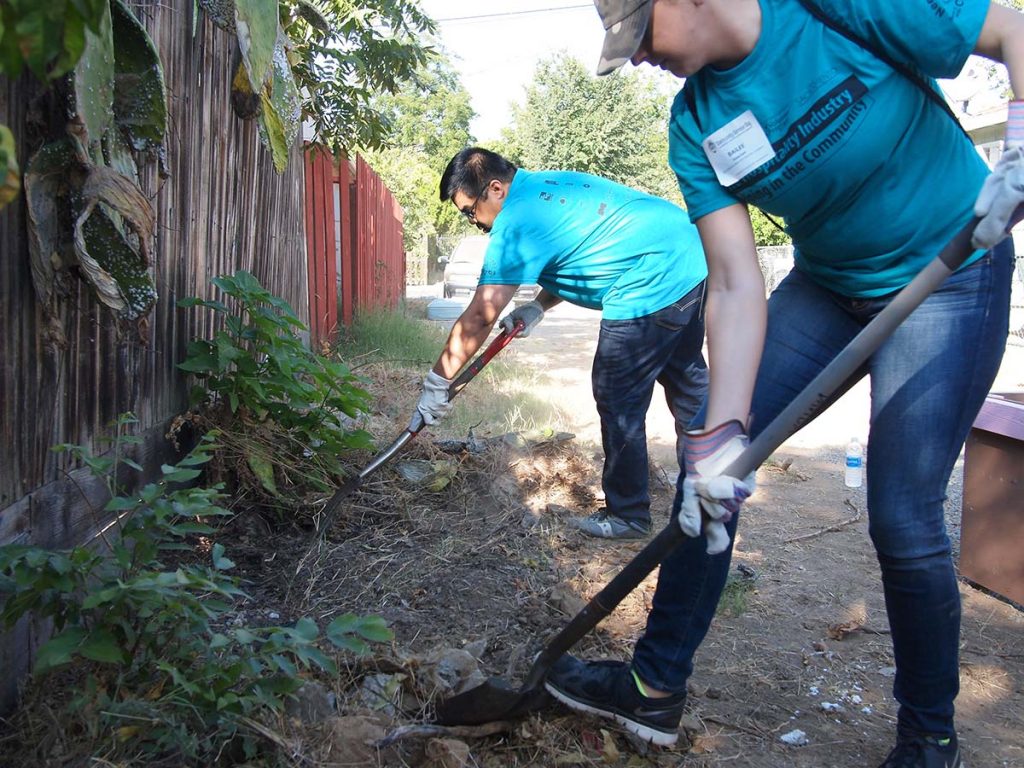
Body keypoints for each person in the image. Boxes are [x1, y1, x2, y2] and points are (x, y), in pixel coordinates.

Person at [543, 1, 1024, 765]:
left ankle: (929, 734)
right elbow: (735, 283)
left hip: (953, 274)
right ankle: (654, 687)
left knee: (902, 516)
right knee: (709, 474)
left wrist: (1021, 142)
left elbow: (1010, 31)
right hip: (830, 289)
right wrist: (726, 432)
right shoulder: (695, 122)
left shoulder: (832, 10)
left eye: (641, 36)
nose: (637, 58)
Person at [412, 147, 710, 540]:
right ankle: (707, 497)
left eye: (470, 211)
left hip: (649, 279)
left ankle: (628, 516)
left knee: (617, 395)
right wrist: (537, 307)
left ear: (495, 189)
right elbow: (579, 256)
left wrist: (437, 385)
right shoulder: (547, 186)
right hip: (689, 258)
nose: (475, 223)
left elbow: (481, 315)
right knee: (686, 381)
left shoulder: (516, 221)